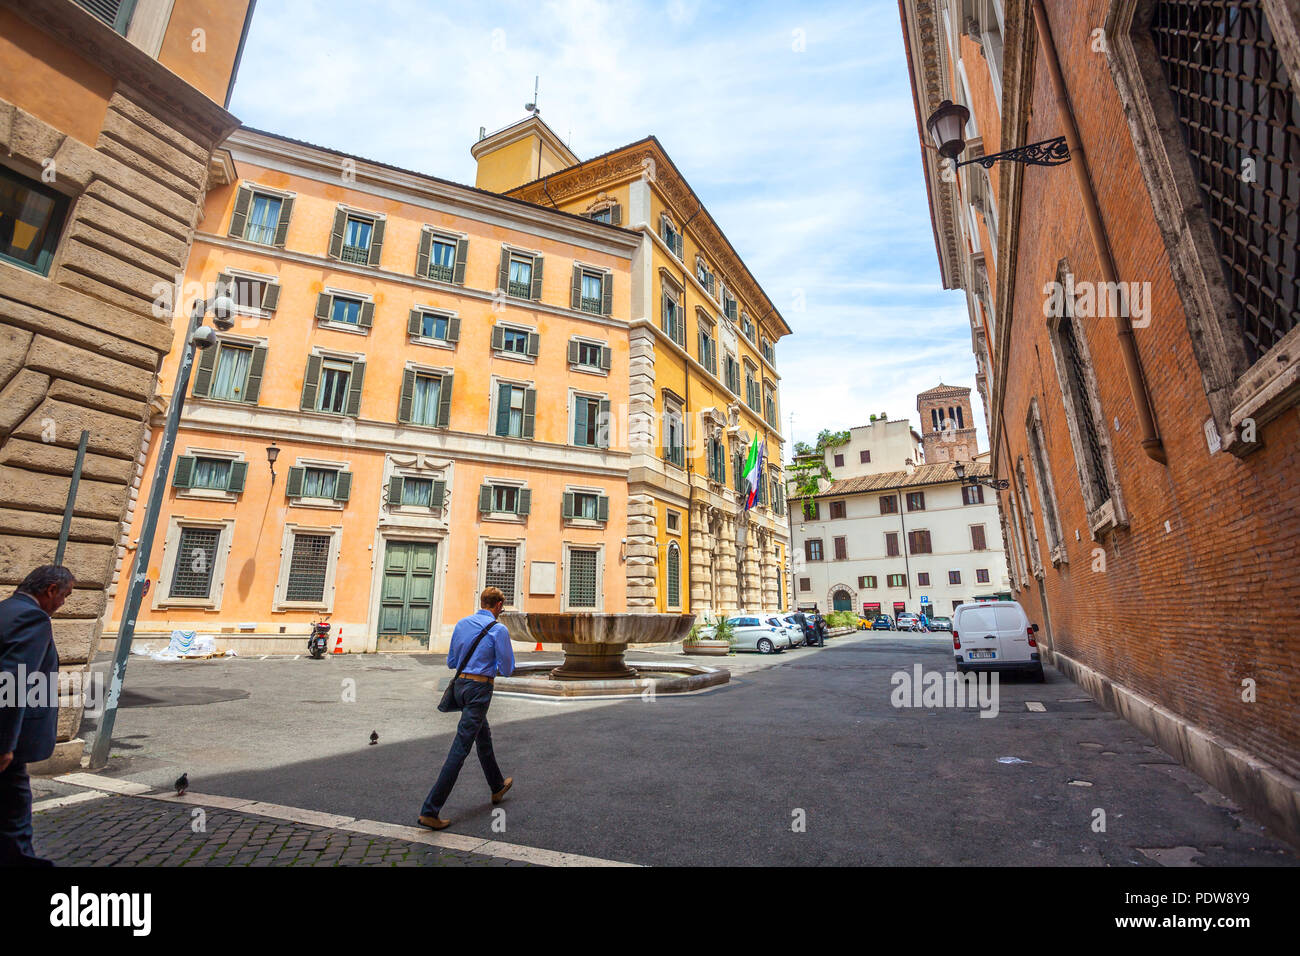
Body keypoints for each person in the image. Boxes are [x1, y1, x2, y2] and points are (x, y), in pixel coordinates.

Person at [418, 587, 516, 831]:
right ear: (499, 606)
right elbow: (507, 668)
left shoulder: (462, 623)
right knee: (460, 748)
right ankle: (430, 810)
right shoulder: (499, 629)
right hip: (479, 690)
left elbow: (451, 661)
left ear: (482, 602)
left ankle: (497, 786)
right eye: (501, 606)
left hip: (460, 685)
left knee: (483, 737)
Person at [0, 565, 74, 867]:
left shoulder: (6, 610)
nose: (63, 604)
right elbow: (13, 681)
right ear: (51, 590)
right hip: (9, 743)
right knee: (14, 809)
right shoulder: (33, 618)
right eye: (64, 596)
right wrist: (5, 743)